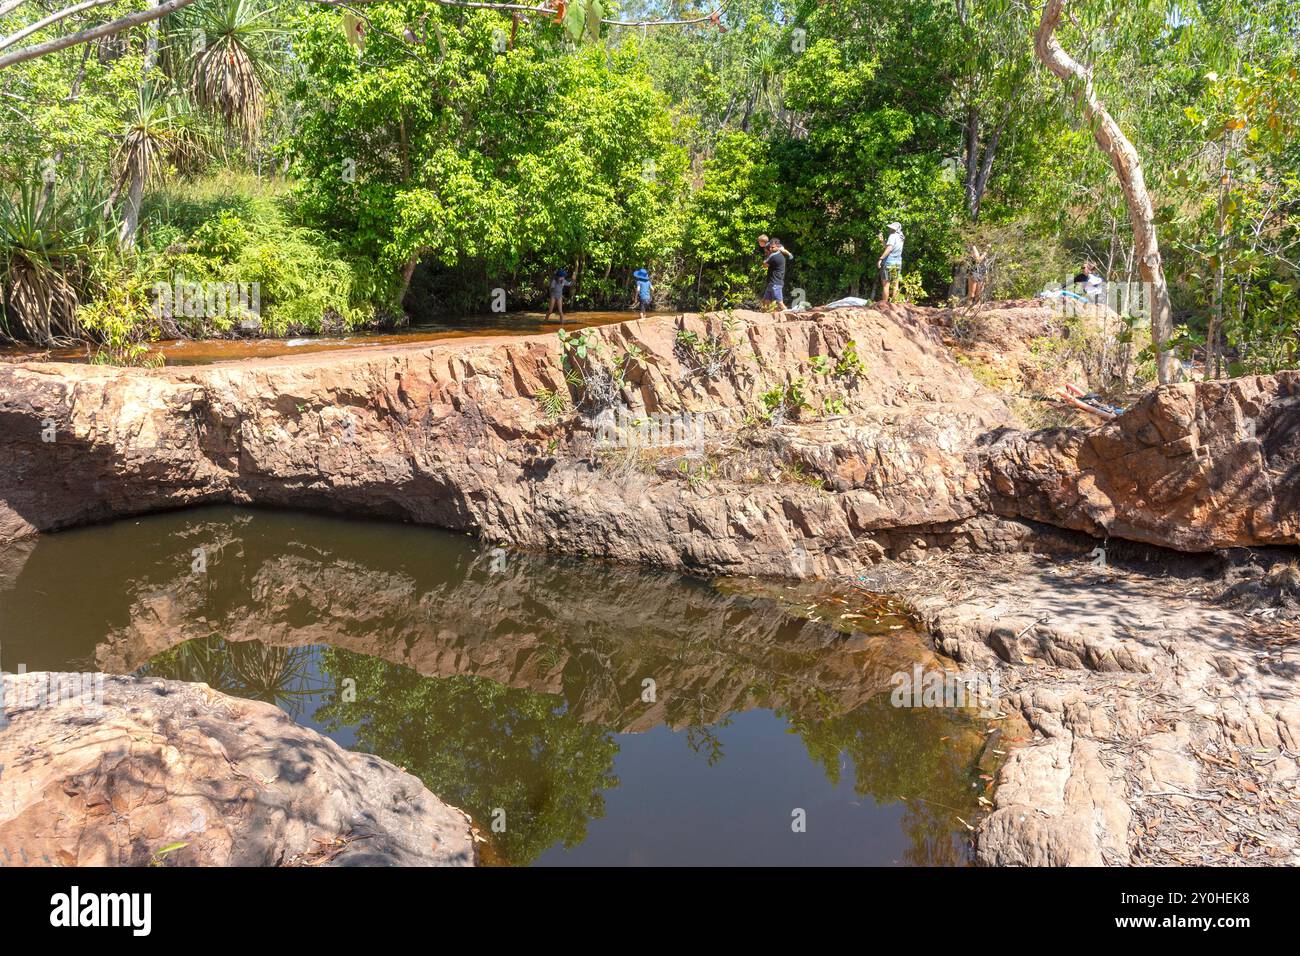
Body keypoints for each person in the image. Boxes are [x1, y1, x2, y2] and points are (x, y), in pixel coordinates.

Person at [761, 237, 793, 311]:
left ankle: (789, 314)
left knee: (780, 303)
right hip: (772, 283)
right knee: (765, 302)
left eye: (772, 247)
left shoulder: (773, 256)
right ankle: (767, 317)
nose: (771, 249)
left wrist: (767, 254)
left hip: (775, 283)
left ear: (778, 247)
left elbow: (764, 265)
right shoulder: (779, 254)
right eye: (770, 247)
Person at [877, 222, 904, 305]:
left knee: (886, 285)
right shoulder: (901, 236)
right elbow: (889, 247)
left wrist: (881, 259)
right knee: (896, 284)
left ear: (895, 229)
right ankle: (895, 305)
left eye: (891, 228)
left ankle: (884, 306)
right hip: (898, 263)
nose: (890, 229)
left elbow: (889, 249)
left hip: (889, 262)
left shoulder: (892, 236)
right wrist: (882, 241)